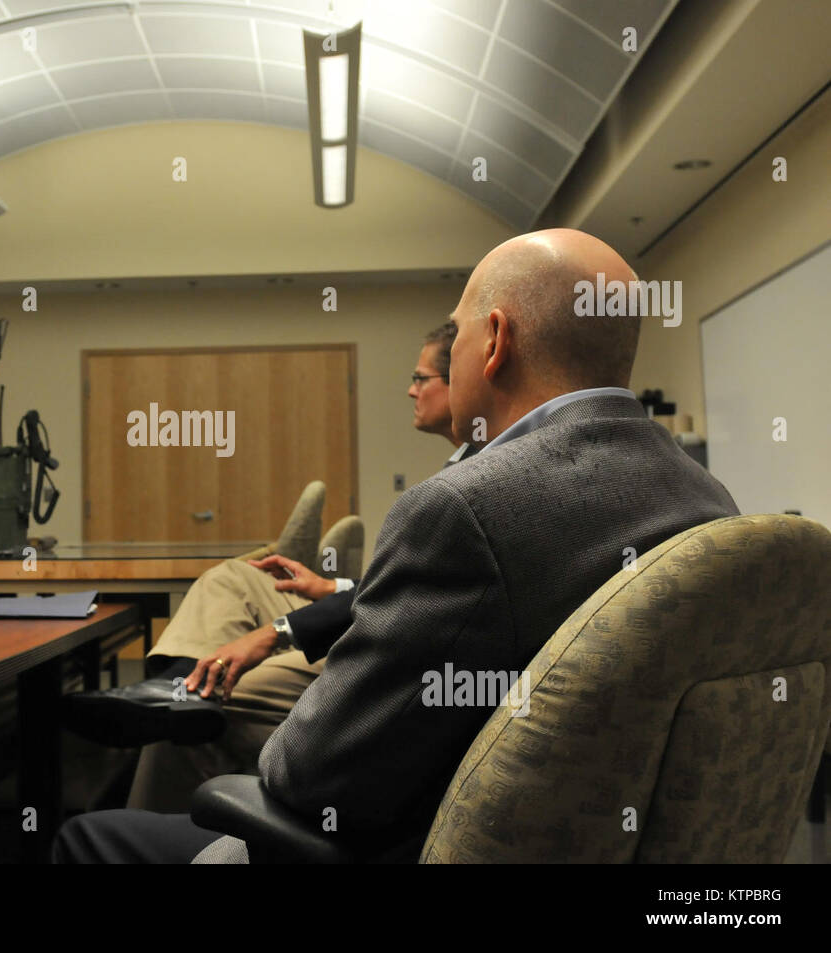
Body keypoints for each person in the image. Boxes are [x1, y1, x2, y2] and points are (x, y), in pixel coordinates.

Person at [52, 227, 740, 862]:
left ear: (495, 340)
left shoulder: (467, 506)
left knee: (86, 837)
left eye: (461, 333)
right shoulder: (712, 503)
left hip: (412, 841)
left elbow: (313, 771)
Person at [61, 324, 467, 812]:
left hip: (374, 634)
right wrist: (331, 584)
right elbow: (411, 583)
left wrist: (278, 631)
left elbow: (413, 599)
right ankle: (176, 685)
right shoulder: (463, 466)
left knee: (219, 685)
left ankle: (183, 705)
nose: (410, 389)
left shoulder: (473, 481)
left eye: (421, 378)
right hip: (359, 606)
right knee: (237, 576)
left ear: (458, 380)